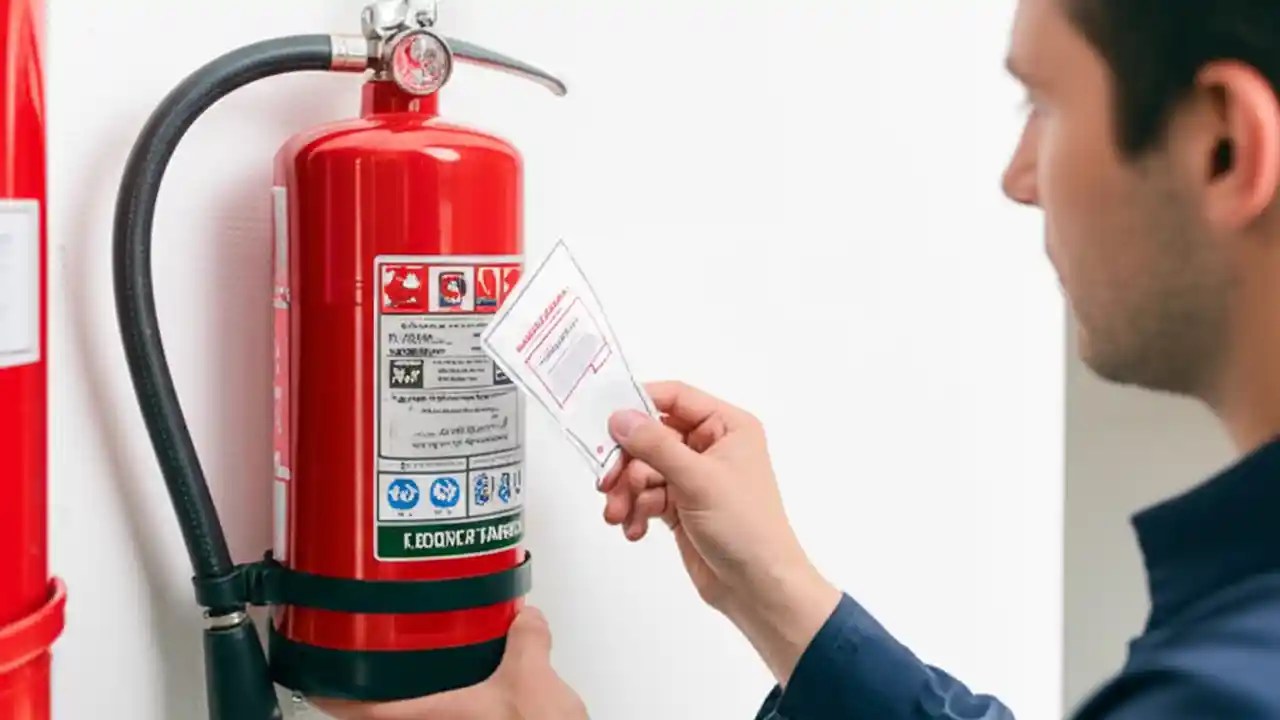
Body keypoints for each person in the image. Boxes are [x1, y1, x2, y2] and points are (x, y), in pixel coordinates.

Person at [320, 0, 1280, 716]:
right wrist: (774, 592)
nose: (1018, 176)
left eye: (1043, 101)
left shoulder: (1227, 685)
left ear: (1225, 147)